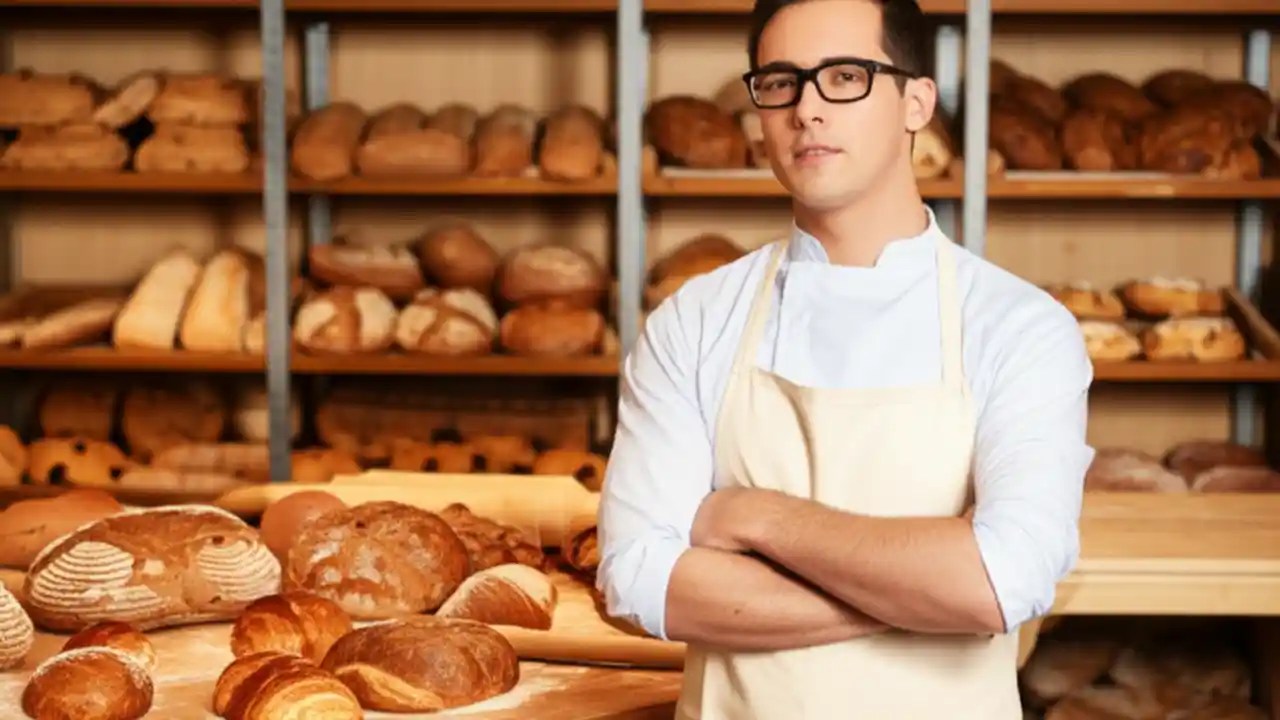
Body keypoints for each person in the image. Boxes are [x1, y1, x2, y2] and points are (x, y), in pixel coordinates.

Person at [596, 0, 1095, 717]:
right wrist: (925, 597)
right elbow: (639, 580)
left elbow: (1000, 582)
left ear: (915, 102)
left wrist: (754, 517)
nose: (807, 109)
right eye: (781, 82)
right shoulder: (695, 320)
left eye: (845, 77)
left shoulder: (1021, 329)